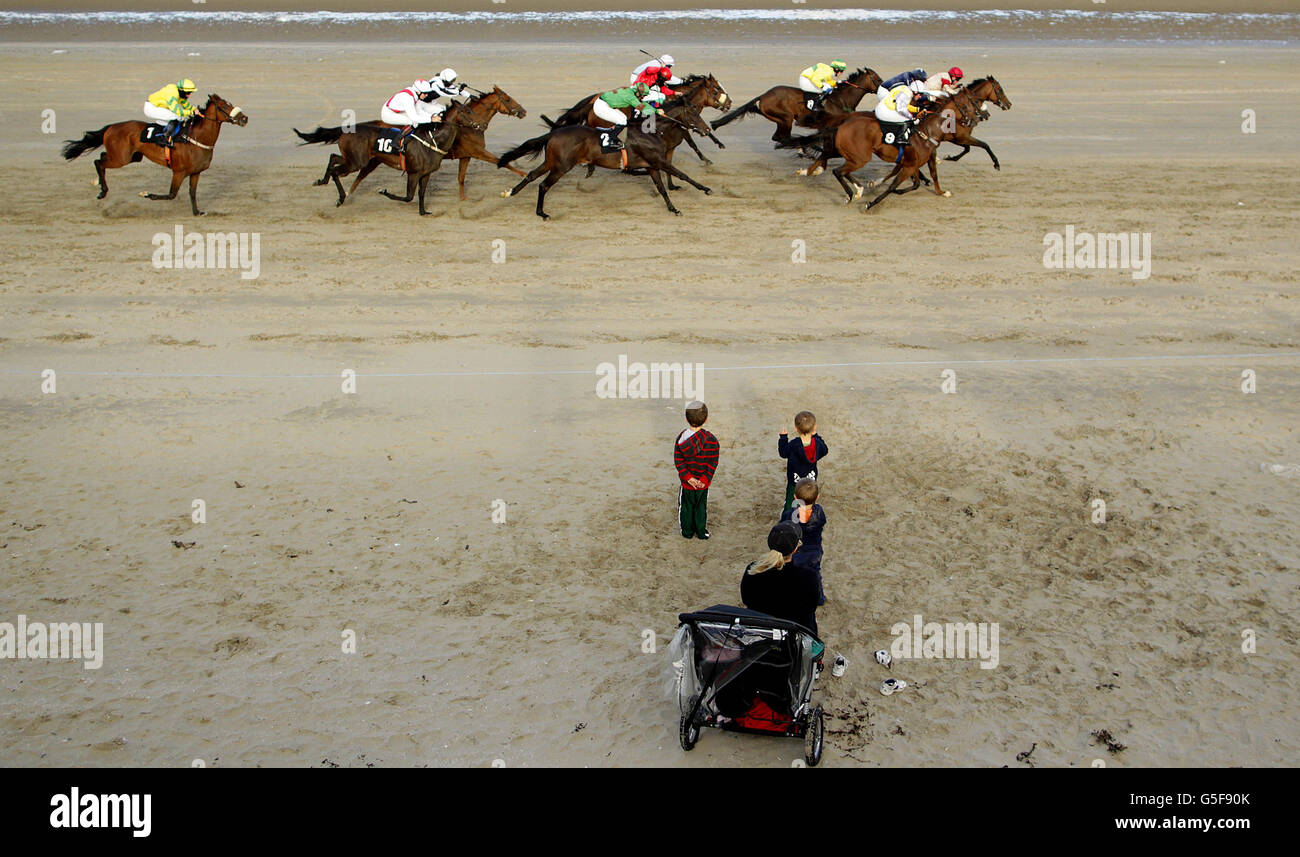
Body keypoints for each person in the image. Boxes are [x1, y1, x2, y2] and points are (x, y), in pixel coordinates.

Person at [740, 522, 821, 635]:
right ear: (795, 549)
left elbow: (746, 599)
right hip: (794, 633)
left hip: (760, 630)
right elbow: (810, 608)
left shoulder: (753, 570)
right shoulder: (808, 577)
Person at [674, 400, 720, 540]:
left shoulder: (681, 439)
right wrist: (704, 479)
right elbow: (713, 462)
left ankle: (687, 532)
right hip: (702, 484)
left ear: (686, 419)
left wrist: (688, 477)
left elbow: (678, 461)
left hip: (687, 483)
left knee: (686, 507)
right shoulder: (712, 440)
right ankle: (701, 532)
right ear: (706, 419)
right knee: (701, 507)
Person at [780, 478, 827, 605]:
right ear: (817, 497)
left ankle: (795, 597)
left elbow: (784, 527)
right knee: (815, 574)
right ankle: (819, 598)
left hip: (797, 552)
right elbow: (822, 521)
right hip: (815, 551)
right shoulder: (819, 512)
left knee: (794, 575)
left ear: (795, 497)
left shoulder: (790, 515)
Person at [778, 411, 827, 514]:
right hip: (810, 480)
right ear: (814, 428)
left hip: (794, 480)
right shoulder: (817, 443)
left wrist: (783, 438)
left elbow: (783, 453)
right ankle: (808, 516)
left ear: (796, 429)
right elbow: (825, 450)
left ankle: (787, 516)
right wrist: (816, 436)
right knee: (809, 498)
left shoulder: (793, 445)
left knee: (791, 499)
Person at [592, 81, 663, 145]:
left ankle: (608, 132)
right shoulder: (630, 97)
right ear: (638, 93)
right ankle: (610, 140)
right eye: (643, 95)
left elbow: (641, 103)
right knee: (622, 122)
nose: (643, 97)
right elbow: (643, 109)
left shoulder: (630, 91)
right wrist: (656, 111)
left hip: (604, 103)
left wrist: (655, 110)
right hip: (601, 107)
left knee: (624, 118)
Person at [381, 79, 444, 150]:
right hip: (388, 113)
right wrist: (431, 119)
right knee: (414, 122)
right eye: (425, 93)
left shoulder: (414, 94)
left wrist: (432, 116)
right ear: (418, 91)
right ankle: (396, 142)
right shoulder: (408, 98)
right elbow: (414, 117)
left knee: (420, 119)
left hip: (396, 110)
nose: (426, 95)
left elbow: (419, 111)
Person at [143, 78, 199, 146]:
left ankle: (164, 129)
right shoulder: (172, 94)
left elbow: (185, 104)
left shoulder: (179, 92)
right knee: (176, 117)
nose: (189, 95)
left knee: (178, 118)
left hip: (158, 107)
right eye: (188, 93)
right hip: (151, 108)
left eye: (190, 93)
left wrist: (195, 110)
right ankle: (164, 138)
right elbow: (177, 111)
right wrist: (191, 112)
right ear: (181, 90)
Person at [875, 82, 926, 146]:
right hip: (885, 111)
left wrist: (917, 109)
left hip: (883, 108)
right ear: (915, 92)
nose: (920, 96)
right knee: (907, 119)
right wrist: (912, 118)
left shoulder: (905, 88)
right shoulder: (907, 93)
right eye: (920, 94)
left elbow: (905, 106)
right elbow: (901, 109)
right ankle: (900, 138)